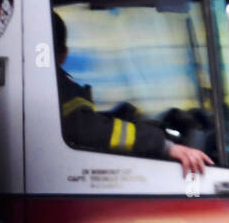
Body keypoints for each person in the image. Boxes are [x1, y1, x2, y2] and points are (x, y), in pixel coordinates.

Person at [54, 11, 214, 175]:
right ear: (64, 54)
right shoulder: (59, 86)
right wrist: (164, 145)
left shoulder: (52, 85)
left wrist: (122, 117)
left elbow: (78, 122)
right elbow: (86, 129)